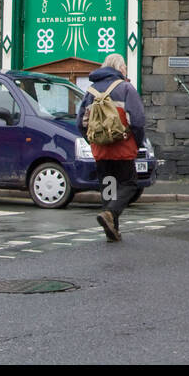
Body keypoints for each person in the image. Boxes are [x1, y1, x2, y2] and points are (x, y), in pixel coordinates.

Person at [77, 53, 147, 241]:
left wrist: (93, 142)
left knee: (108, 188)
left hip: (100, 150)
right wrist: (137, 143)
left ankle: (112, 231)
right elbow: (138, 121)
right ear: (120, 68)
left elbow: (80, 123)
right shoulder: (125, 88)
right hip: (123, 147)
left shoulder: (90, 91)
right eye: (124, 67)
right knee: (129, 184)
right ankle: (110, 214)